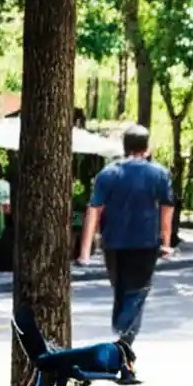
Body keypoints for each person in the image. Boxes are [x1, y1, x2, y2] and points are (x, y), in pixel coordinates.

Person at [78, 124, 174, 349]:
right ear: (147, 147)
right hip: (145, 245)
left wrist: (85, 251)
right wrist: (166, 241)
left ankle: (123, 339)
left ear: (124, 146)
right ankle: (124, 338)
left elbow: (94, 210)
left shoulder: (107, 174)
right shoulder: (159, 173)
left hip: (113, 244)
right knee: (136, 293)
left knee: (121, 290)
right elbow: (167, 209)